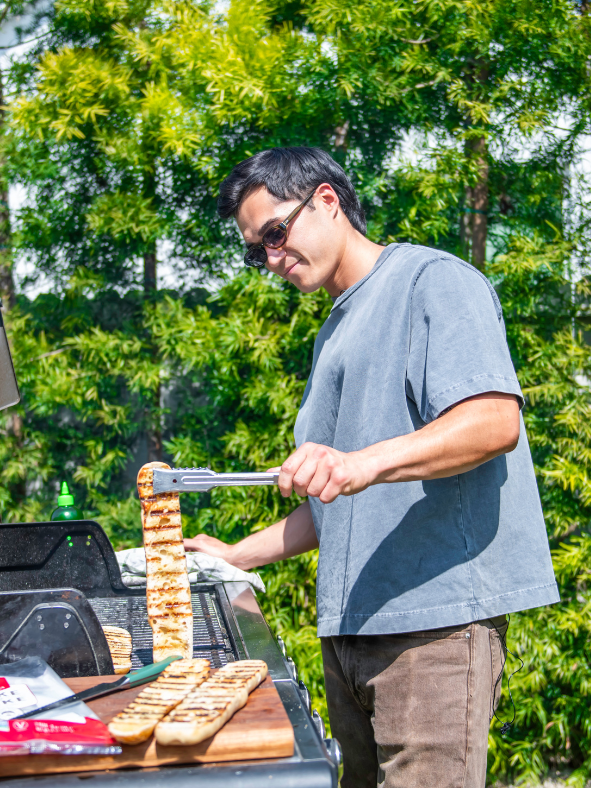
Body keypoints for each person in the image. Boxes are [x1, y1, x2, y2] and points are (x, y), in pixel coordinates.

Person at [184, 147, 559, 788]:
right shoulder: (334, 328)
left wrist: (359, 463)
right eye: (257, 250)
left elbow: (493, 421)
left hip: (431, 635)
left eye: (275, 233)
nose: (271, 258)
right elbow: (336, 497)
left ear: (327, 201)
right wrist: (234, 556)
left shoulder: (432, 281)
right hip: (350, 635)